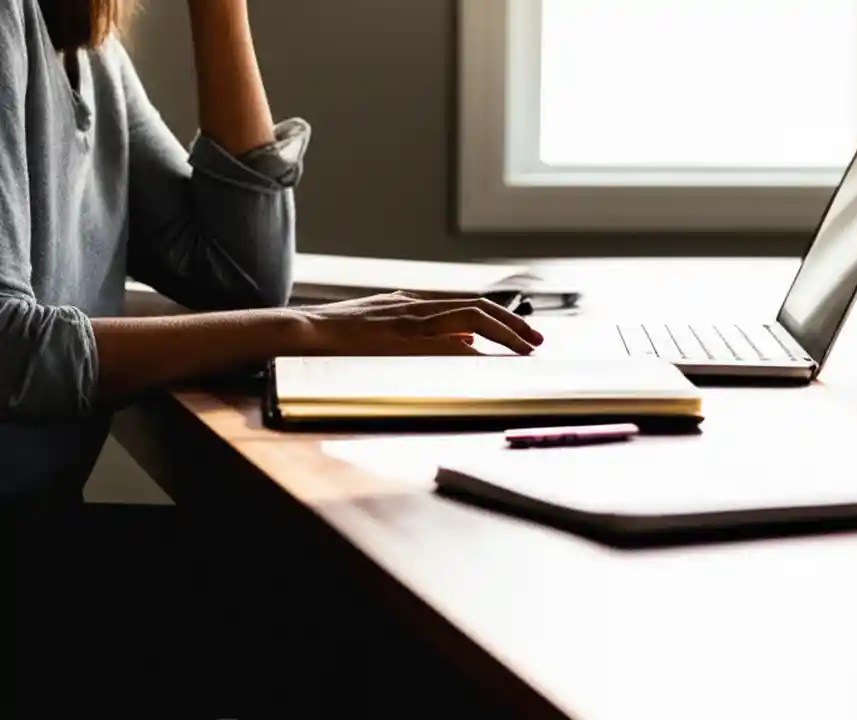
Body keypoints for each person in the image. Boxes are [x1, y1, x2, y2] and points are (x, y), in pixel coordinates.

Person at [0, 0, 543, 711]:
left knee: (371, 602)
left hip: (40, 535)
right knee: (363, 625)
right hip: (21, 561)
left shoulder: (83, 44)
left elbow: (238, 269)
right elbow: (10, 350)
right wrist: (307, 330)